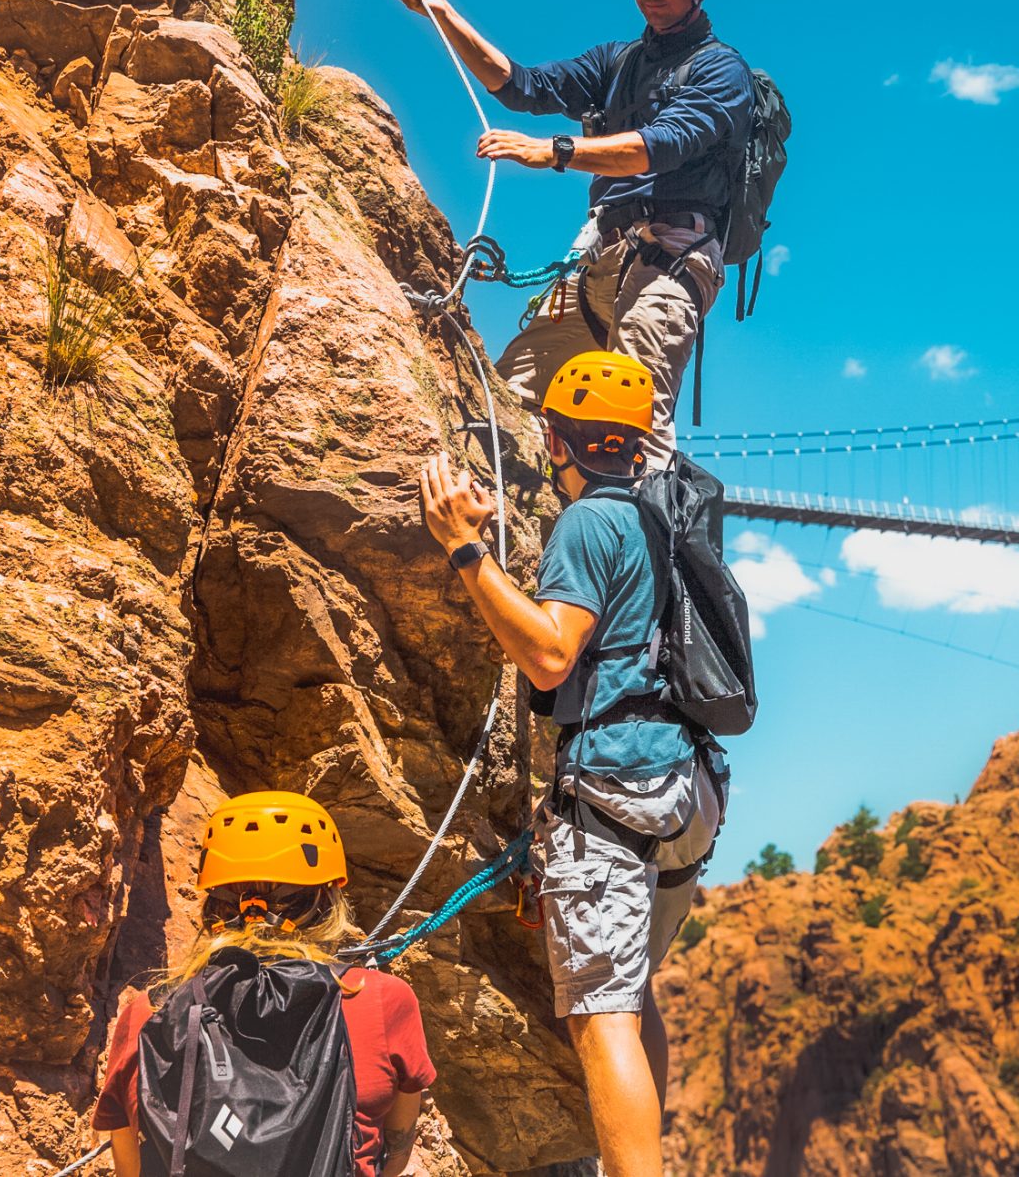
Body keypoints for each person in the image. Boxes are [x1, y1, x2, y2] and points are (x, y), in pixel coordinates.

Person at [418, 349, 728, 1177]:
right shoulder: (664, 520)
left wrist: (465, 550)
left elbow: (551, 655)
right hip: (687, 792)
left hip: (617, 791)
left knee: (601, 1016)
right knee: (633, 994)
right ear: (633, 443)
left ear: (555, 439)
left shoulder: (590, 521)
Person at [390, 0, 755, 466]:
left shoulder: (722, 72)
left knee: (630, 419)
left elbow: (656, 146)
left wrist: (554, 151)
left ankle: (639, 543)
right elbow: (520, 85)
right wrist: (440, 12)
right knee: (514, 394)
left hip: (672, 259)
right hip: (602, 259)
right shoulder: (617, 62)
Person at [94, 791, 435, 1177]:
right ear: (324, 901)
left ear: (214, 904)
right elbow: (397, 1150)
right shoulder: (382, 1000)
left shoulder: (151, 1011)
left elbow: (130, 1166)